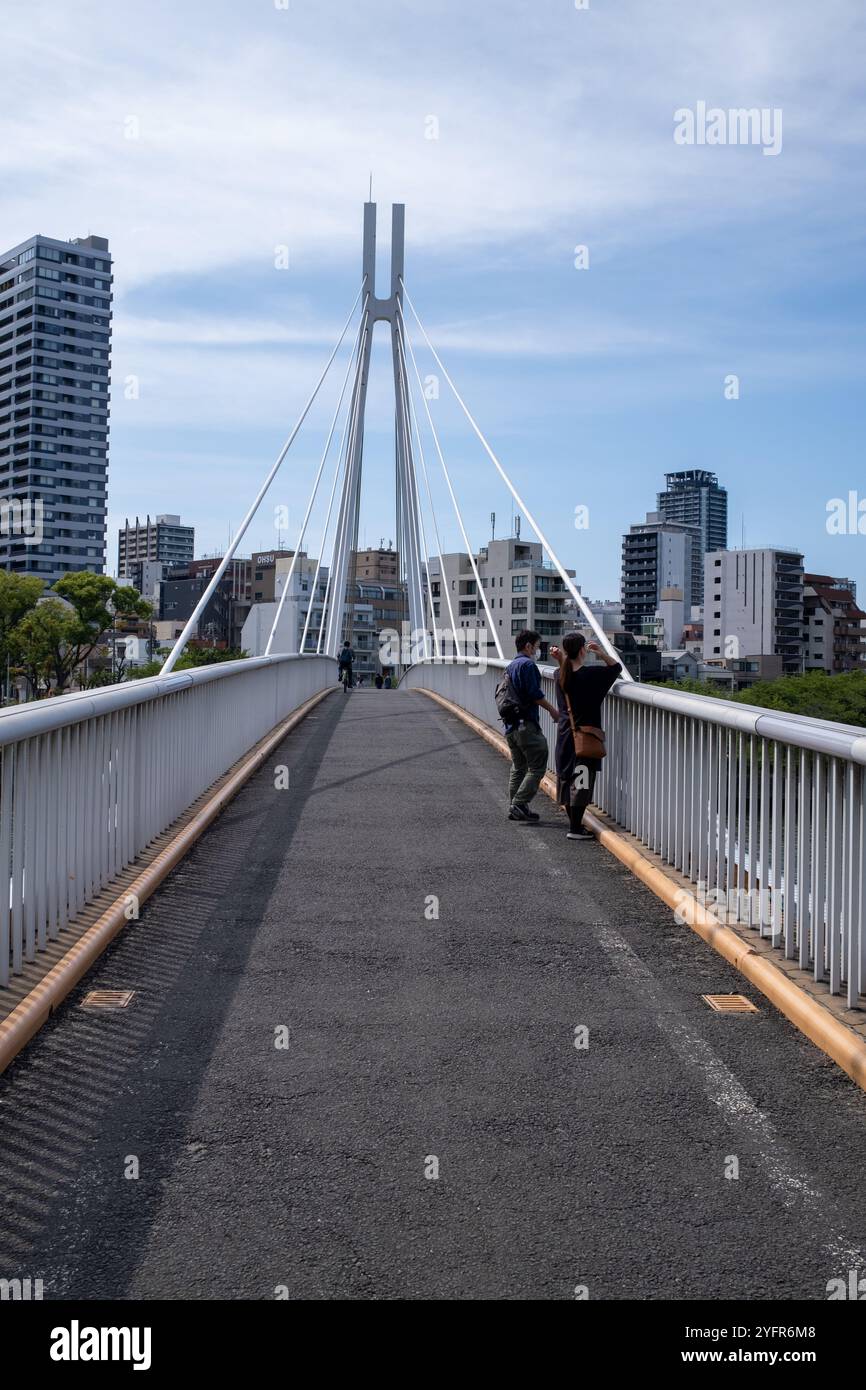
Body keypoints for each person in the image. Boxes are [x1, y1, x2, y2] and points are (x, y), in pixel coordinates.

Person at [550, 633, 622, 841]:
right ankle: (574, 828)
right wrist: (600, 653)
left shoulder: (558, 674)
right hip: (584, 739)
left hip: (565, 735)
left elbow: (566, 671)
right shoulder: (592, 675)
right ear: (583, 650)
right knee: (582, 781)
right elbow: (615, 668)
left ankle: (574, 824)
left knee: (566, 778)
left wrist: (561, 660)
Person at [501, 629, 560, 823]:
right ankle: (519, 803)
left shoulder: (510, 666)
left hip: (510, 725)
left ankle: (516, 807)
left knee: (519, 767)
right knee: (537, 764)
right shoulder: (528, 665)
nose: (537, 650)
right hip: (525, 724)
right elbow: (535, 694)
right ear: (528, 646)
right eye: (536, 646)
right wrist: (552, 710)